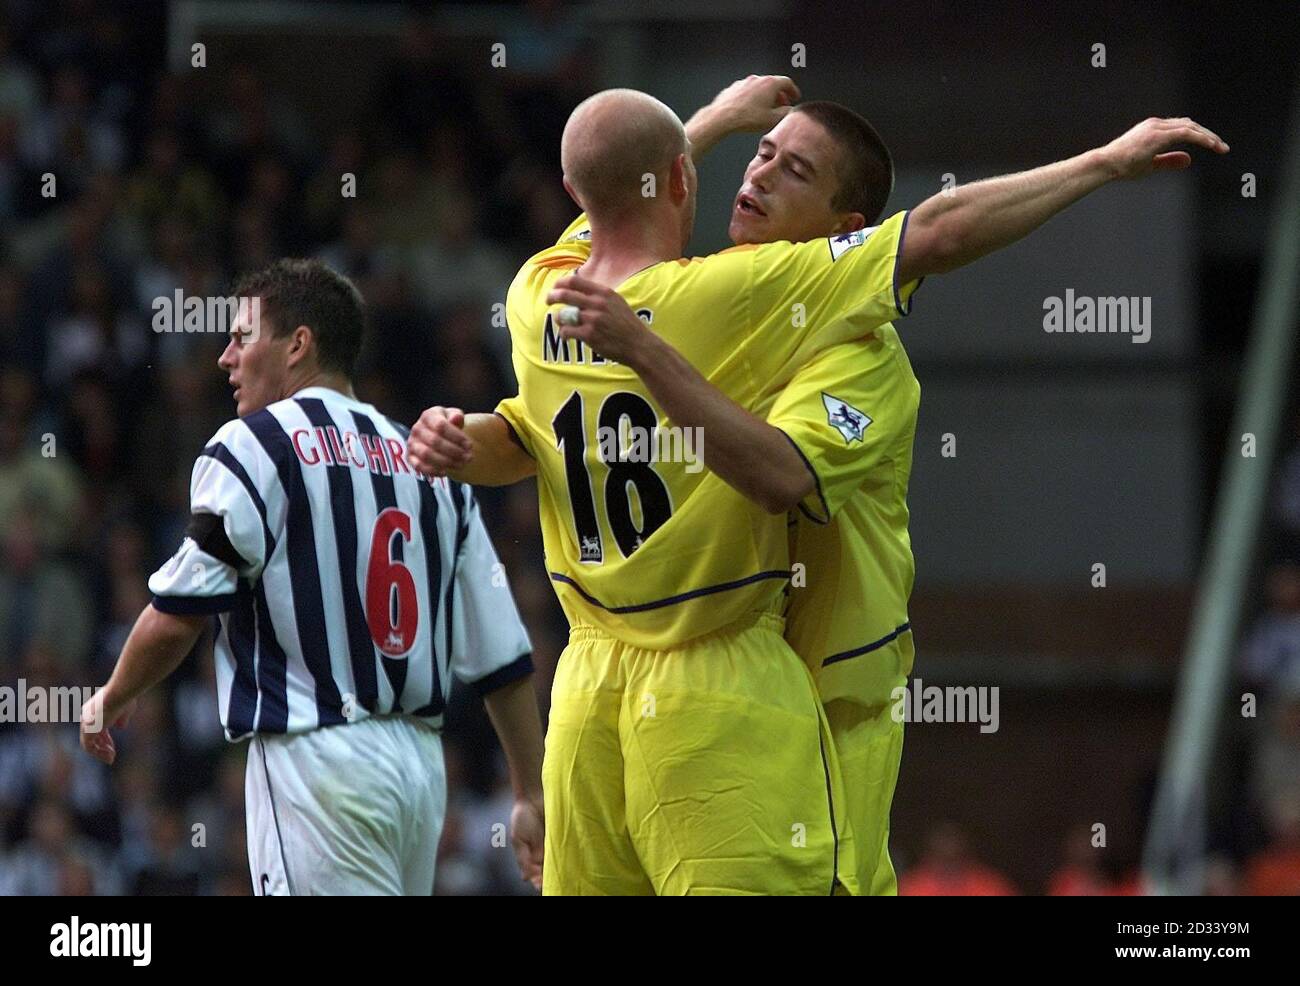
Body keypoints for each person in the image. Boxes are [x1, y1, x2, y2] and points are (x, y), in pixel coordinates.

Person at [408, 87, 1225, 895]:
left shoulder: (852, 350)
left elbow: (779, 473)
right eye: (761, 153)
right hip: (720, 677)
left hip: (827, 695)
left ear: (847, 230)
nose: (758, 175)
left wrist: (1104, 163)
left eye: (793, 170)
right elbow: (617, 207)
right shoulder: (717, 293)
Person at [80, 258, 546, 895]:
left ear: (298, 344)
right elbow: (504, 661)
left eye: (242, 337)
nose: (225, 357)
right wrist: (529, 792)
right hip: (418, 776)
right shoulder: (429, 465)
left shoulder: (253, 446)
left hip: (316, 765)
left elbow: (178, 615)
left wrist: (116, 691)